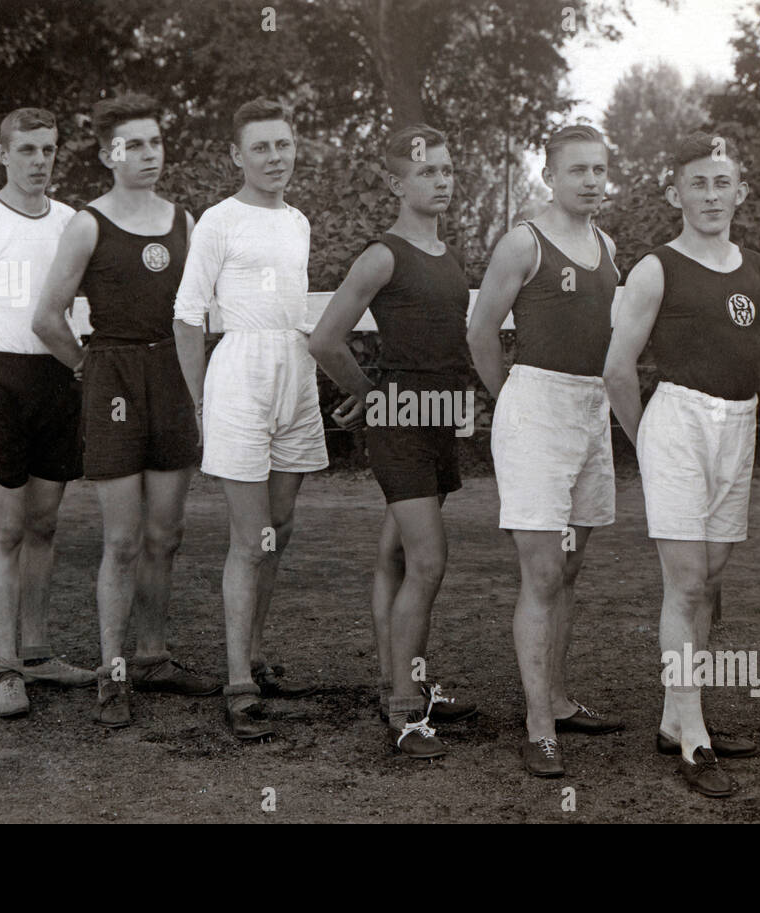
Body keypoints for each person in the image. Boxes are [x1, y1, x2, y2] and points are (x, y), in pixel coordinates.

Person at [33, 93, 219, 729]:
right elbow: (46, 316)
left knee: (165, 535)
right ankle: (113, 673)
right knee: (121, 537)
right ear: (108, 153)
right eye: (134, 144)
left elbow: (195, 313)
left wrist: (197, 385)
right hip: (111, 375)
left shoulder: (184, 221)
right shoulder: (88, 224)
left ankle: (153, 656)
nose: (148, 154)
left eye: (155, 142)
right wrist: (89, 369)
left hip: (169, 374)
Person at [604, 132, 760, 798]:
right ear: (675, 192)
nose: (710, 194)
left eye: (721, 182)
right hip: (676, 421)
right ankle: (696, 739)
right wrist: (649, 442)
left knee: (712, 579)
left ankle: (677, 715)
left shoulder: (758, 267)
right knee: (689, 582)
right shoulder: (655, 268)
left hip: (740, 423)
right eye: (696, 182)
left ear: (740, 190)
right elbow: (617, 368)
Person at [310, 124, 478, 759]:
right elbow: (324, 339)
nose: (440, 181)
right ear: (395, 182)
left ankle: (397, 684)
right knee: (428, 561)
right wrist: (374, 397)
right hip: (401, 421)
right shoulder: (383, 254)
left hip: (438, 416)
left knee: (398, 558)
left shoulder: (446, 252)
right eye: (427, 172)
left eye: (447, 170)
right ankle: (408, 712)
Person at [467, 125, 624, 778]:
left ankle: (557, 698)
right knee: (540, 573)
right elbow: (480, 330)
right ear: (550, 176)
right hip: (536, 405)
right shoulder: (523, 242)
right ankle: (537, 725)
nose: (590, 180)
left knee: (570, 567)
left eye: (599, 170)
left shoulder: (609, 245)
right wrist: (512, 397)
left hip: (592, 408)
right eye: (577, 170)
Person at [174, 98, 326, 741]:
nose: (274, 157)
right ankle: (237, 682)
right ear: (237, 155)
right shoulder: (216, 221)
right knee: (249, 535)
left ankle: (257, 656)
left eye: (283, 145)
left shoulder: (299, 222)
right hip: (238, 373)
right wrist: (201, 404)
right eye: (260, 147)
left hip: (295, 366)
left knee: (280, 527)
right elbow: (186, 316)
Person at [0, 107, 95, 719]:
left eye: (50, 150)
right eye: (28, 150)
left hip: (58, 379)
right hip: (1, 380)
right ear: (3, 154)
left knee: (45, 525)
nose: (40, 161)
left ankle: (36, 653)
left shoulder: (72, 222)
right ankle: (7, 668)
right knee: (4, 530)